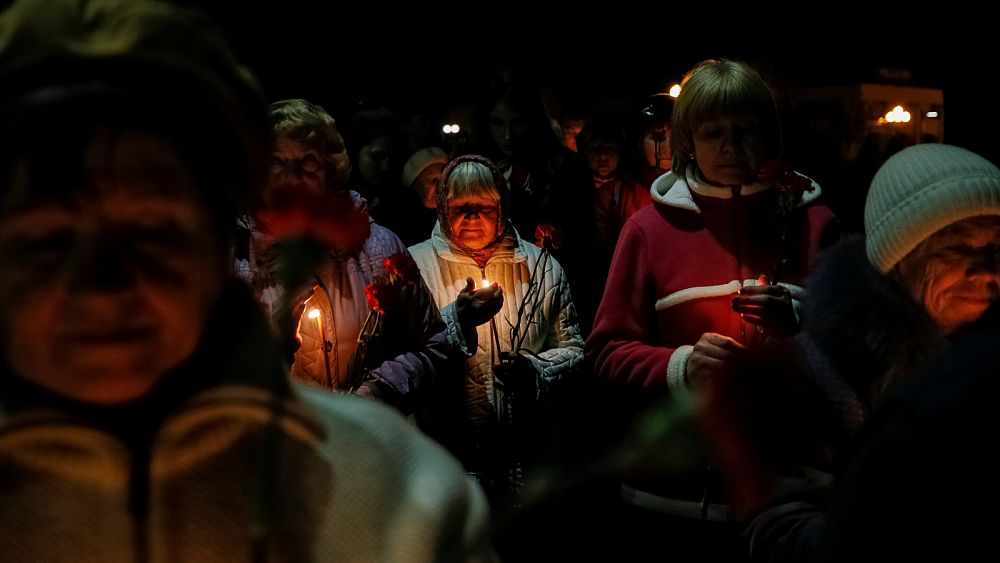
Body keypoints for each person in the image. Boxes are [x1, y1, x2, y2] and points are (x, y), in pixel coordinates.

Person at [0, 1, 492, 560]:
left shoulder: (393, 503)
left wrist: (378, 389)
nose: (101, 281)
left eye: (153, 229)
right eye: (48, 237)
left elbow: (429, 342)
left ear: (212, 234)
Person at [584, 58, 839, 559]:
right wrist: (680, 365)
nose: (730, 147)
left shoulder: (815, 222)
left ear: (770, 134)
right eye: (713, 131)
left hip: (792, 495)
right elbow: (606, 350)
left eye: (745, 131)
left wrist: (802, 322)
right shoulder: (648, 231)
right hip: (677, 500)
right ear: (686, 140)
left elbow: (858, 348)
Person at [741, 143, 1000, 562]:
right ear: (896, 259)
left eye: (997, 248)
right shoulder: (815, 371)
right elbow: (777, 529)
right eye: (957, 248)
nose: (987, 270)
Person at [243, 98, 454, 416]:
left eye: (308, 161)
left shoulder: (379, 248)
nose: (292, 177)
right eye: (276, 162)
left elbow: (434, 344)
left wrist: (379, 389)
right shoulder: (235, 261)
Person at [409, 154, 583, 504]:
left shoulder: (541, 267)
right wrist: (457, 323)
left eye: (484, 207)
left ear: (502, 207)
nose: (472, 218)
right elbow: (402, 358)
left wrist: (536, 370)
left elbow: (575, 349)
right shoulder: (415, 266)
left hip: (528, 462)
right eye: (460, 207)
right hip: (447, 464)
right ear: (442, 208)